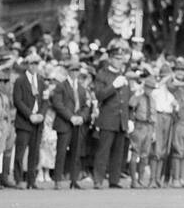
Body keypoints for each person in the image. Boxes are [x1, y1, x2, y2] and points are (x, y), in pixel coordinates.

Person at [92, 40, 132, 189]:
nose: (119, 61)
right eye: (116, 58)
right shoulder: (103, 74)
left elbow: (126, 100)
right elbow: (99, 95)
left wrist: (129, 119)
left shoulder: (123, 75)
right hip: (108, 119)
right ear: (110, 59)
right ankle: (98, 179)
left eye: (121, 59)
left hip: (121, 119)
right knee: (103, 151)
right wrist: (114, 86)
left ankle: (114, 180)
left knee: (118, 152)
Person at [50, 61, 91, 188]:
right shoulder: (61, 86)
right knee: (61, 152)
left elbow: (85, 106)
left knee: (76, 152)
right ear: (68, 71)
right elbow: (58, 104)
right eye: (72, 70)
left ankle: (74, 179)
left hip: (78, 123)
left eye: (77, 70)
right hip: (64, 123)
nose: (75, 72)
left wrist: (82, 118)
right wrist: (71, 117)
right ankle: (57, 180)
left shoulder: (81, 88)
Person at [12, 52, 48, 190]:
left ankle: (32, 180)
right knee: (20, 152)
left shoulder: (41, 81)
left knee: (34, 153)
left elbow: (45, 101)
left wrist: (41, 114)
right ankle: (18, 179)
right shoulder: (20, 80)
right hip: (24, 122)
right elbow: (17, 100)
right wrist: (30, 115)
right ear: (27, 65)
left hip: (38, 122)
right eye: (32, 63)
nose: (34, 66)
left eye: (36, 64)